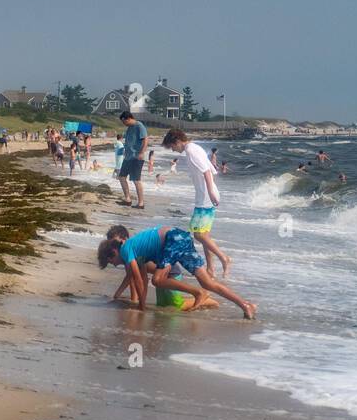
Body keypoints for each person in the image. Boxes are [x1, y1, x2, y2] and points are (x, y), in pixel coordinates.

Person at [97, 224, 256, 318]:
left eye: (112, 263)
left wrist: (141, 308)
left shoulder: (126, 249)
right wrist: (141, 305)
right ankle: (245, 305)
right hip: (181, 237)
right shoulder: (136, 251)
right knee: (207, 282)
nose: (116, 265)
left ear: (113, 252)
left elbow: (137, 279)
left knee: (157, 280)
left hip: (171, 238)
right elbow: (141, 280)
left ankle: (198, 293)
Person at [163, 128, 231, 277]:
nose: (173, 150)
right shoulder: (194, 148)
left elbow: (207, 171)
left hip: (205, 197)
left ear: (177, 141)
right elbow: (212, 169)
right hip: (204, 195)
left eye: (172, 146)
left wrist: (211, 192)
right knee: (204, 235)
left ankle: (224, 258)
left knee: (198, 234)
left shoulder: (191, 151)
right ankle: (210, 269)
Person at [117, 111, 147, 209]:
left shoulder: (139, 126)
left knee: (136, 180)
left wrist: (142, 153)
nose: (124, 124)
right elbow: (129, 141)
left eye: (124, 122)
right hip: (128, 157)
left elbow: (145, 140)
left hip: (137, 157)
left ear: (129, 118)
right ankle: (128, 199)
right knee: (121, 177)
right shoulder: (129, 128)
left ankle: (141, 203)